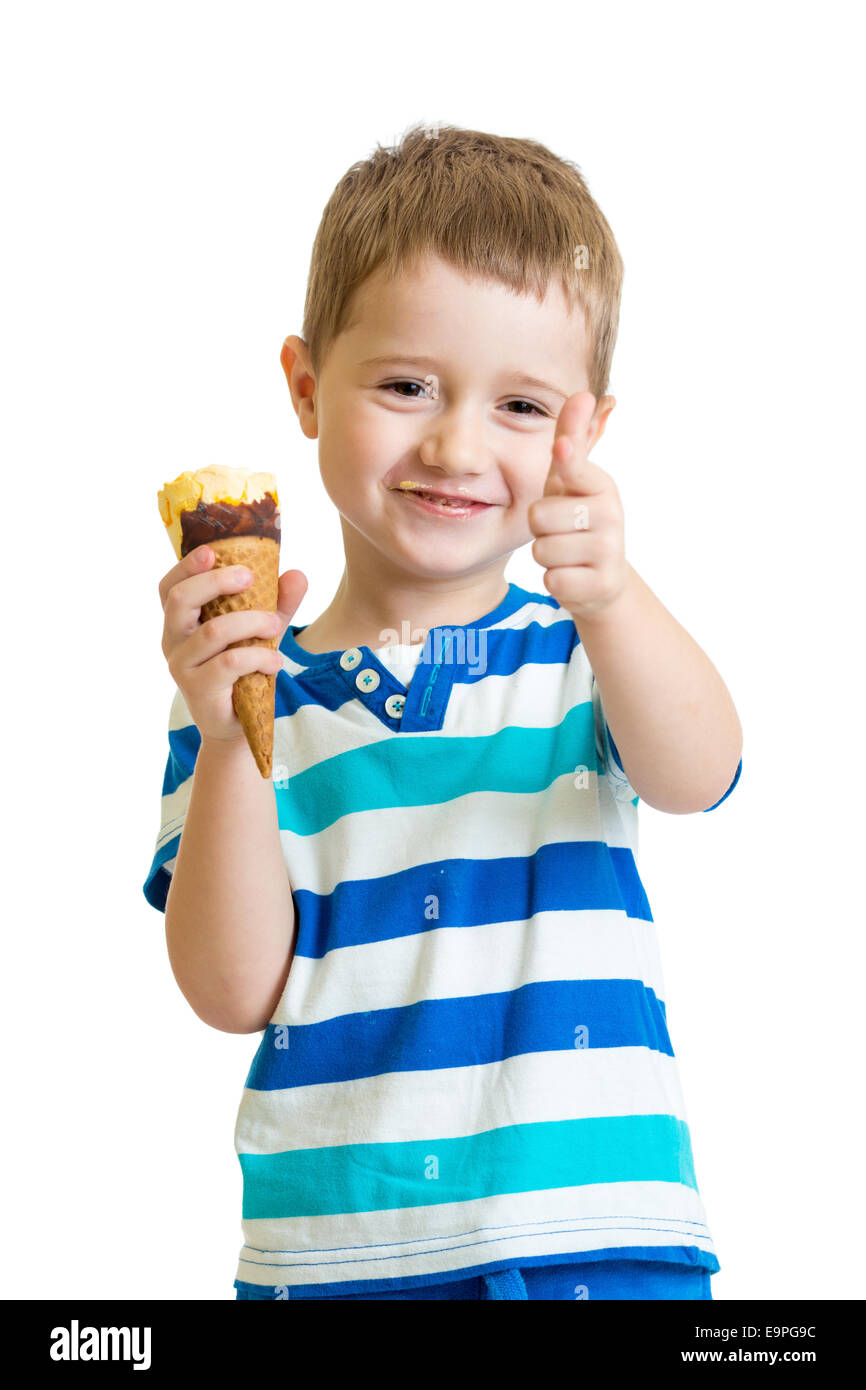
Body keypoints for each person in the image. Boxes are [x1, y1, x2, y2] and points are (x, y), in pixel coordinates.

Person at [144, 123, 743, 1301]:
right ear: (307, 388)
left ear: (587, 431)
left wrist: (614, 597)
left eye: (521, 406)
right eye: (406, 384)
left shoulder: (586, 645)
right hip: (332, 1256)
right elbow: (230, 993)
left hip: (592, 1232)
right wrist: (224, 745)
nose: (456, 443)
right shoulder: (242, 690)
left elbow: (701, 771)